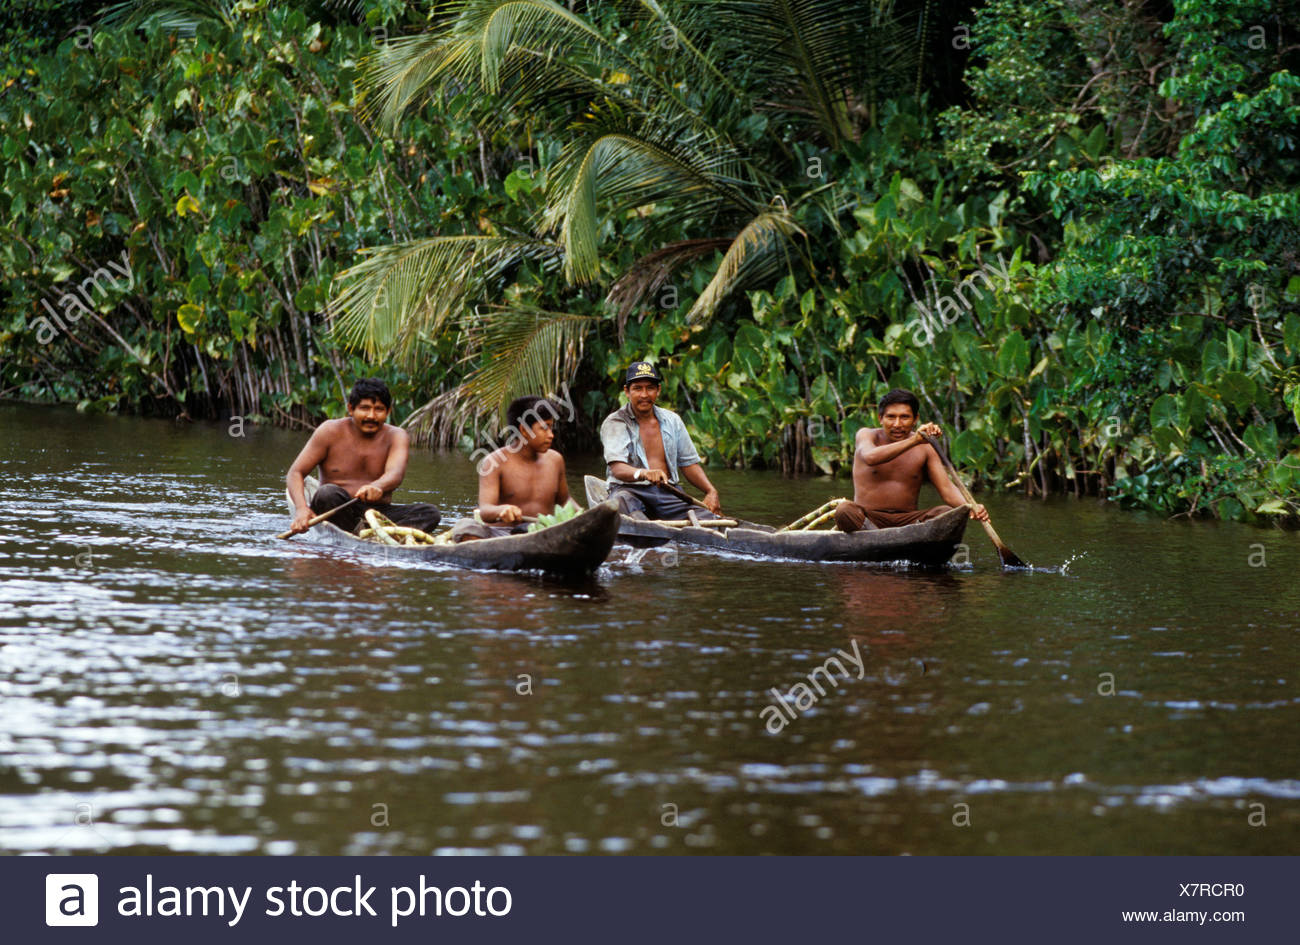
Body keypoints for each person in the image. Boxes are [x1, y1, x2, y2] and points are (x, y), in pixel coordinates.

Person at [285, 378, 441, 535]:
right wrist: (301, 509)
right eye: (364, 408)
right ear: (351, 409)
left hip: (377, 513)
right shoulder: (329, 431)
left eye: (379, 409)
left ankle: (367, 532)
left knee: (429, 513)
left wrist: (378, 486)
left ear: (388, 412)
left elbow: (395, 474)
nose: (371, 416)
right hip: (336, 508)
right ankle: (364, 533)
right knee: (327, 493)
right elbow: (295, 472)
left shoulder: (397, 436)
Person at [833, 388, 991, 532]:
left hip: (907, 521)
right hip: (868, 519)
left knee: (946, 513)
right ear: (880, 418)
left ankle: (899, 539)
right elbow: (870, 457)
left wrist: (970, 506)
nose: (897, 424)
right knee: (844, 510)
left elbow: (947, 489)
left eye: (904, 417)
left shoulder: (925, 447)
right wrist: (914, 440)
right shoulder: (867, 435)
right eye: (891, 417)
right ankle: (877, 536)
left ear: (915, 419)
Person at [600, 361, 721, 520]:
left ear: (658, 390)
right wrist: (644, 473)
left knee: (709, 518)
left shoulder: (672, 420)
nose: (644, 395)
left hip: (667, 493)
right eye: (637, 388)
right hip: (629, 490)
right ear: (627, 392)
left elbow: (689, 463)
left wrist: (711, 491)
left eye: (650, 388)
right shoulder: (616, 422)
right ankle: (641, 528)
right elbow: (618, 469)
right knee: (621, 503)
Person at [451, 395, 571, 541]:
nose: (551, 435)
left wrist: (590, 515)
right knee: (465, 527)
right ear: (524, 430)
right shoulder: (494, 462)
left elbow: (565, 502)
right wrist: (501, 511)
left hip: (545, 533)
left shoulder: (556, 460)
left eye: (551, 428)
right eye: (544, 428)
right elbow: (485, 510)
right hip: (502, 536)